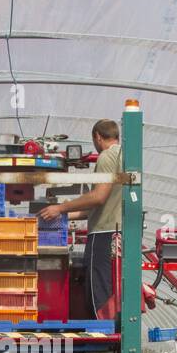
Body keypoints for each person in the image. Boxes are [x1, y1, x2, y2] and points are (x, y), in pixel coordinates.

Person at [39, 119, 123, 319]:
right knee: (111, 285)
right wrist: (62, 215)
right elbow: (98, 206)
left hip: (103, 233)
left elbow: (98, 197)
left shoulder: (106, 157)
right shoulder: (124, 156)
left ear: (97, 137)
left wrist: (60, 207)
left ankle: (103, 328)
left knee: (98, 287)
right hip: (116, 231)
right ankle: (111, 326)